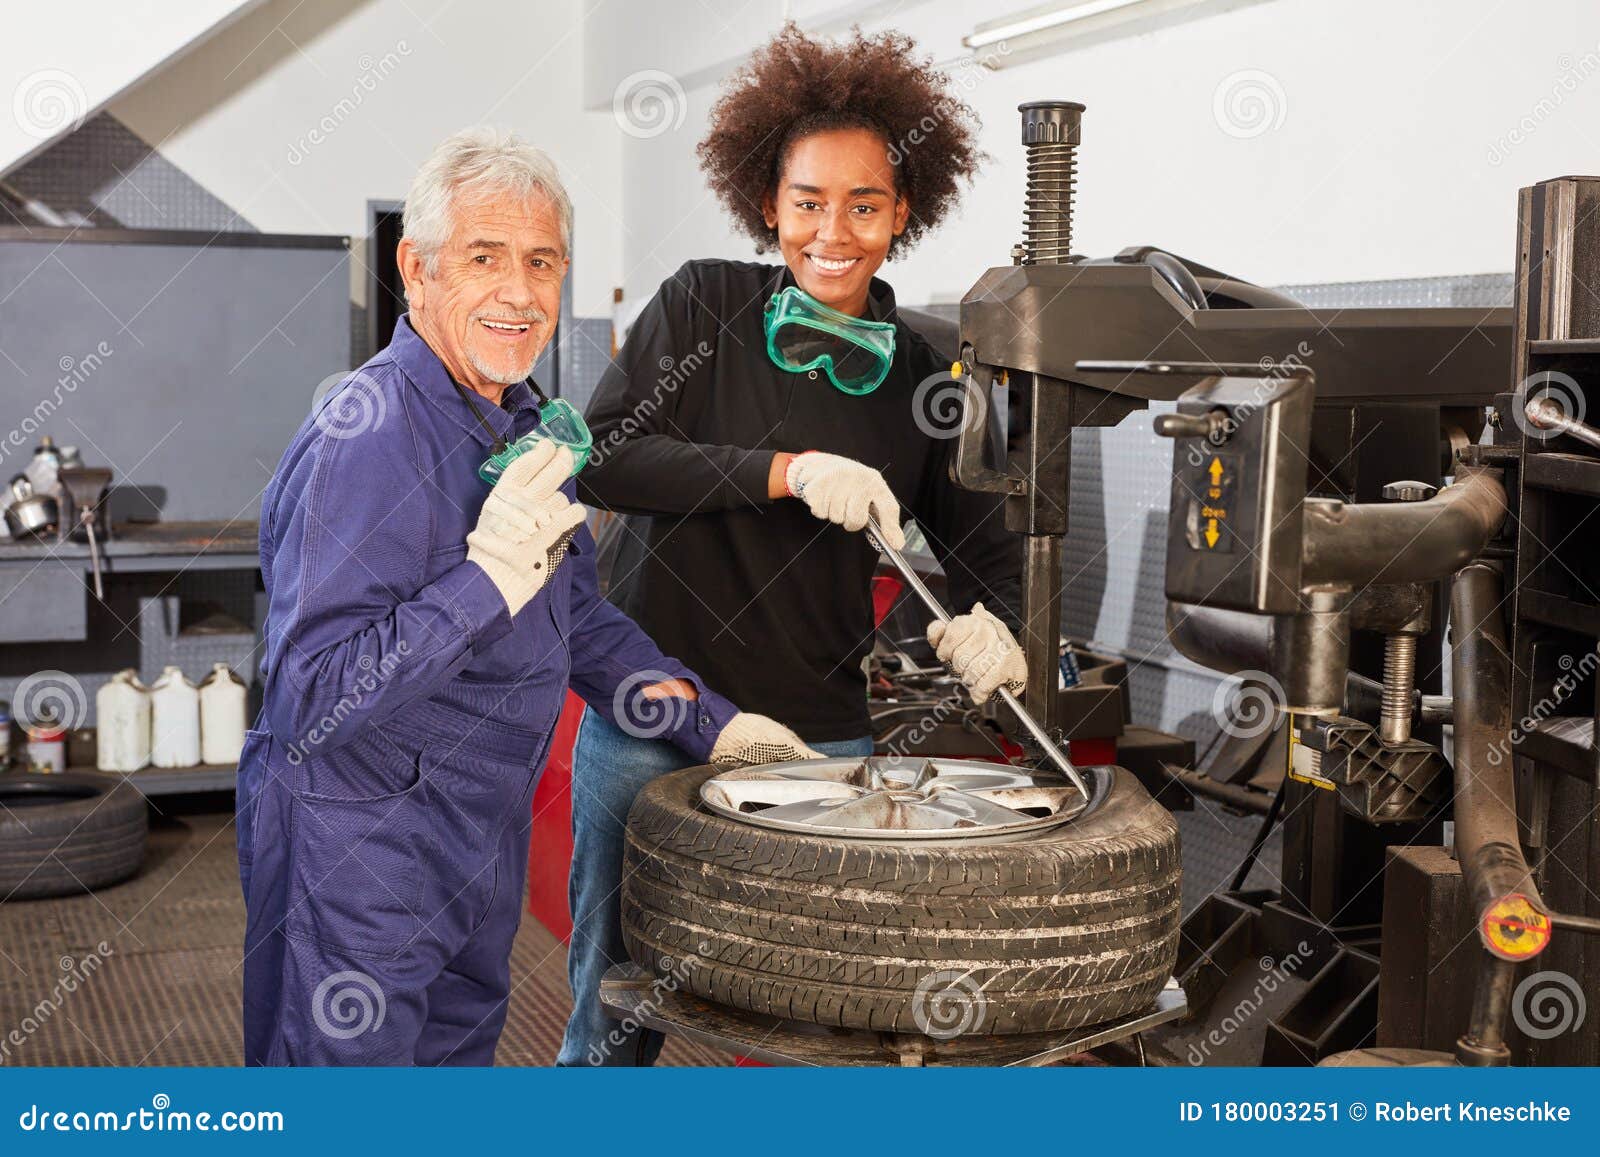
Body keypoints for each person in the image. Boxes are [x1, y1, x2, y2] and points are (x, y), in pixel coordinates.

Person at [236, 127, 818, 1066]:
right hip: (361, 848)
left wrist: (716, 723)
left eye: (542, 261)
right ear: (415, 270)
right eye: (485, 258)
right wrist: (482, 583)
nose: (519, 291)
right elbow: (313, 691)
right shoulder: (368, 435)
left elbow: (578, 620)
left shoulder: (518, 419)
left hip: (477, 835)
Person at [559, 26, 1027, 1067]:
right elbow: (603, 464)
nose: (833, 231)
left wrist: (1002, 628)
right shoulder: (702, 304)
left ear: (902, 213)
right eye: (808, 201)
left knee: (816, 1016)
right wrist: (788, 470)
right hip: (656, 706)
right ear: (768, 202)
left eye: (864, 204)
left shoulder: (927, 375)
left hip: (818, 739)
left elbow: (989, 555)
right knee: (614, 1006)